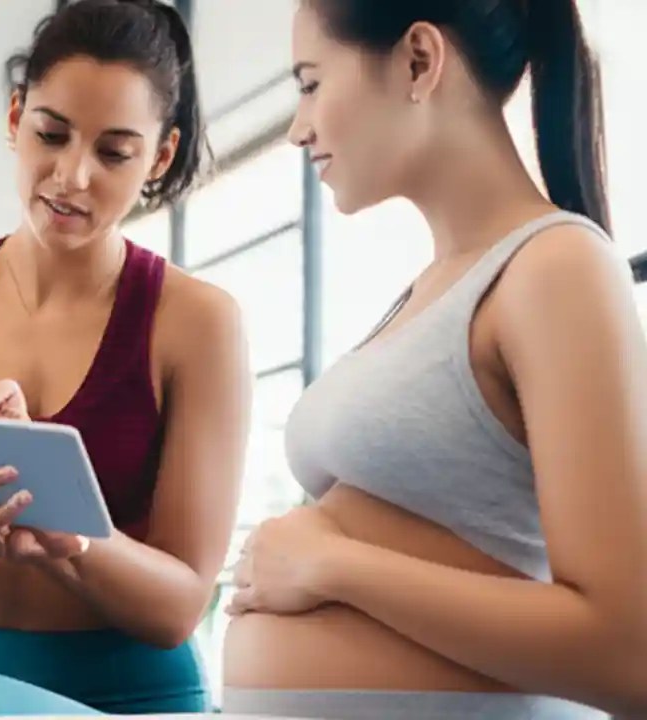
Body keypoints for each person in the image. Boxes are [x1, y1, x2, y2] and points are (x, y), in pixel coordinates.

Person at [221, 1, 647, 718]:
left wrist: (335, 567)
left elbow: (631, 654)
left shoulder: (556, 267)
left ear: (419, 59)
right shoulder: (429, 290)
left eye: (310, 82)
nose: (299, 126)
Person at [0, 1, 252, 717]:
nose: (72, 176)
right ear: (13, 117)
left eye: (114, 151)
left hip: (136, 694)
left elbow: (181, 604)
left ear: (158, 156)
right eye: (51, 133)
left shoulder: (198, 322)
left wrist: (69, 533)